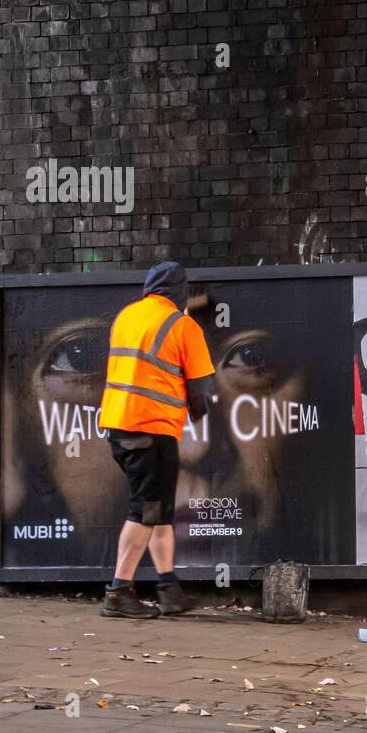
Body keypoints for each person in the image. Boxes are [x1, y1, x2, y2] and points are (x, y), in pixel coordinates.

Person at [98, 262, 216, 617]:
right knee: (145, 510)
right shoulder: (183, 326)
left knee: (160, 510)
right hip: (151, 429)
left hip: (120, 427)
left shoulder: (126, 317)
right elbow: (201, 388)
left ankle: (169, 589)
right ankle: (118, 593)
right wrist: (199, 411)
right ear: (180, 291)